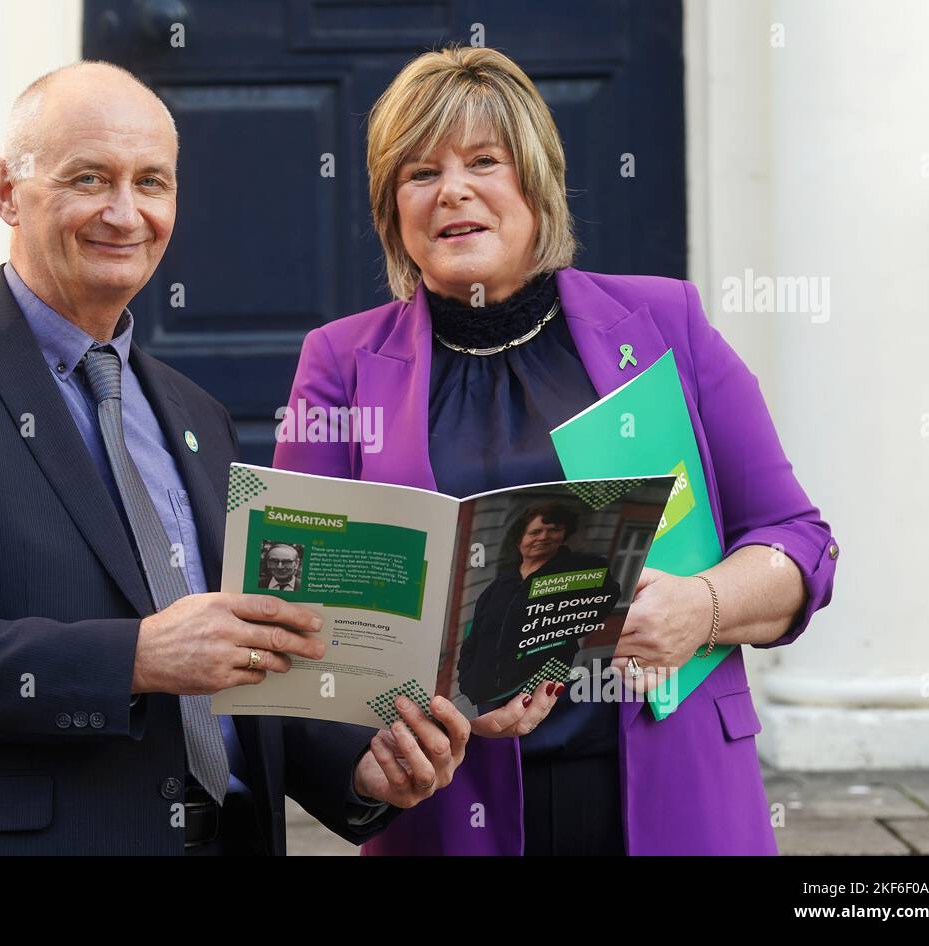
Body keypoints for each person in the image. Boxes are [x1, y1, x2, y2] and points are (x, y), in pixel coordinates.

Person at [0, 60, 468, 856]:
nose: (126, 213)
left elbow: (243, 668)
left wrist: (362, 772)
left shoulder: (198, 414)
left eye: (151, 183)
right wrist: (135, 657)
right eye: (90, 178)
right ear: (6, 191)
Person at [273, 46, 838, 855]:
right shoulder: (340, 362)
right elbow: (304, 612)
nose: (453, 190)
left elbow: (798, 543)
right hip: (452, 803)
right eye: (419, 173)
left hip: (675, 785)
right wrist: (446, 695)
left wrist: (701, 608)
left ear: (535, 183)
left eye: (483, 161)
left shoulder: (664, 323)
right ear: (392, 209)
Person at [456, 503, 621, 707]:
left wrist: (564, 624)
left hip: (541, 684)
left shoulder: (580, 568)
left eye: (554, 530)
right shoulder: (498, 586)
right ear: (519, 541)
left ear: (565, 533)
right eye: (535, 532)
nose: (544, 537)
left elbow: (605, 600)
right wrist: (467, 679)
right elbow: (475, 638)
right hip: (488, 692)